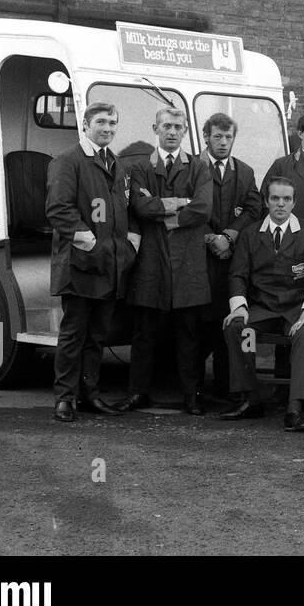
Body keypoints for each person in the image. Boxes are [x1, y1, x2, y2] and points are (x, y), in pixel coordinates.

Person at [46, 102, 139, 422]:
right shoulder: (68, 161)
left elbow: (124, 210)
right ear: (85, 124)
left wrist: (127, 249)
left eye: (113, 123)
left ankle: (90, 394)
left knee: (98, 335)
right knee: (74, 333)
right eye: (101, 122)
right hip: (80, 264)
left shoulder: (116, 164)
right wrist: (93, 244)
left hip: (110, 266)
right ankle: (64, 398)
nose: (108, 128)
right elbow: (59, 210)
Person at [120, 106, 213, 414]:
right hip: (152, 259)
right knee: (144, 332)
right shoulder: (141, 167)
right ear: (155, 129)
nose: (172, 132)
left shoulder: (199, 167)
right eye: (167, 126)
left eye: (178, 127)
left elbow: (202, 208)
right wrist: (178, 203)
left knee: (188, 333)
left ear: (185, 131)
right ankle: (138, 393)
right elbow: (139, 207)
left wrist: (165, 215)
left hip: (188, 261)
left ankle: (191, 395)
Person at [219, 177, 304, 431]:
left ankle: (295, 407)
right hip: (263, 309)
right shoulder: (250, 233)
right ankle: (250, 398)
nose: (281, 204)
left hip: (295, 310)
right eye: (275, 199)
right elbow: (237, 274)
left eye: (287, 199)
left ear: (294, 202)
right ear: (267, 201)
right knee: (237, 328)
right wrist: (240, 307)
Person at [199, 113, 263, 401]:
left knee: (227, 320)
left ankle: (225, 386)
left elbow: (253, 209)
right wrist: (210, 237)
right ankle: (194, 389)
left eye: (228, 137)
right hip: (199, 258)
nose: (223, 143)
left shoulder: (245, 172)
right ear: (206, 137)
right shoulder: (193, 167)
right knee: (197, 324)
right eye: (217, 137)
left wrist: (229, 236)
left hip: (230, 259)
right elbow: (189, 206)